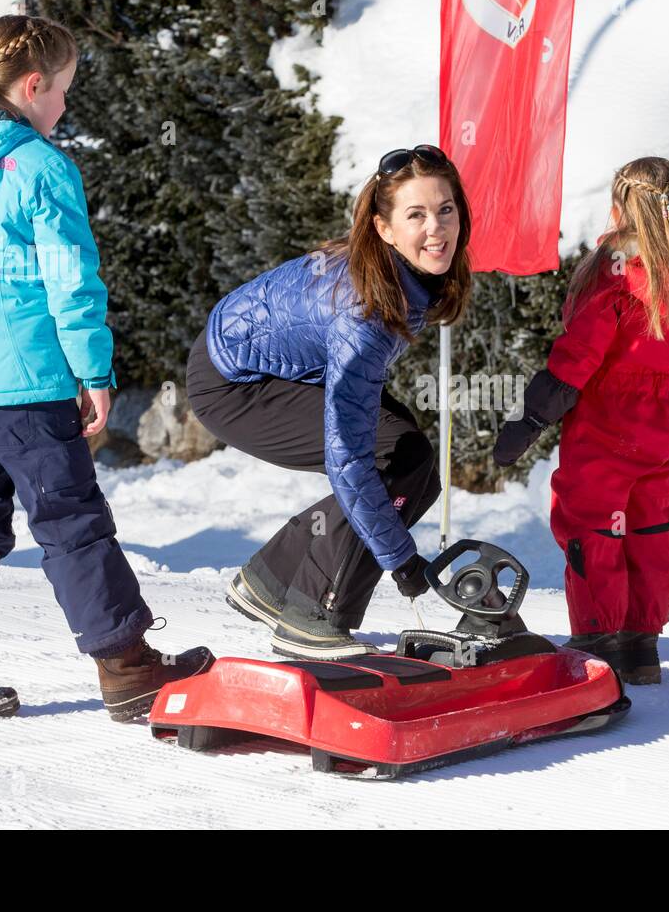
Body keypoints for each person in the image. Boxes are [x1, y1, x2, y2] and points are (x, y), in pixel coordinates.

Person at [0, 15, 211, 721]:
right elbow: (71, 282)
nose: (63, 108)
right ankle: (126, 664)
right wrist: (94, 372)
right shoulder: (41, 166)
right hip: (25, 378)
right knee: (71, 517)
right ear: (33, 85)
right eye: (62, 93)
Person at [187, 144, 474, 659]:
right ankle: (315, 613)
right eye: (416, 215)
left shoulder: (392, 272)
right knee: (394, 458)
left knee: (414, 464)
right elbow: (349, 458)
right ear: (384, 228)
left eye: (445, 209)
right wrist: (400, 559)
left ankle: (272, 582)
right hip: (235, 386)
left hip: (264, 368)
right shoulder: (365, 312)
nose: (437, 228)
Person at [493, 157, 669, 684]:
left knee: (591, 523)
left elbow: (579, 356)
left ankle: (598, 639)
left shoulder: (617, 271)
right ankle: (641, 644)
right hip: (663, 421)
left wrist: (532, 418)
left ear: (620, 207)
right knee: (647, 525)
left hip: (606, 421)